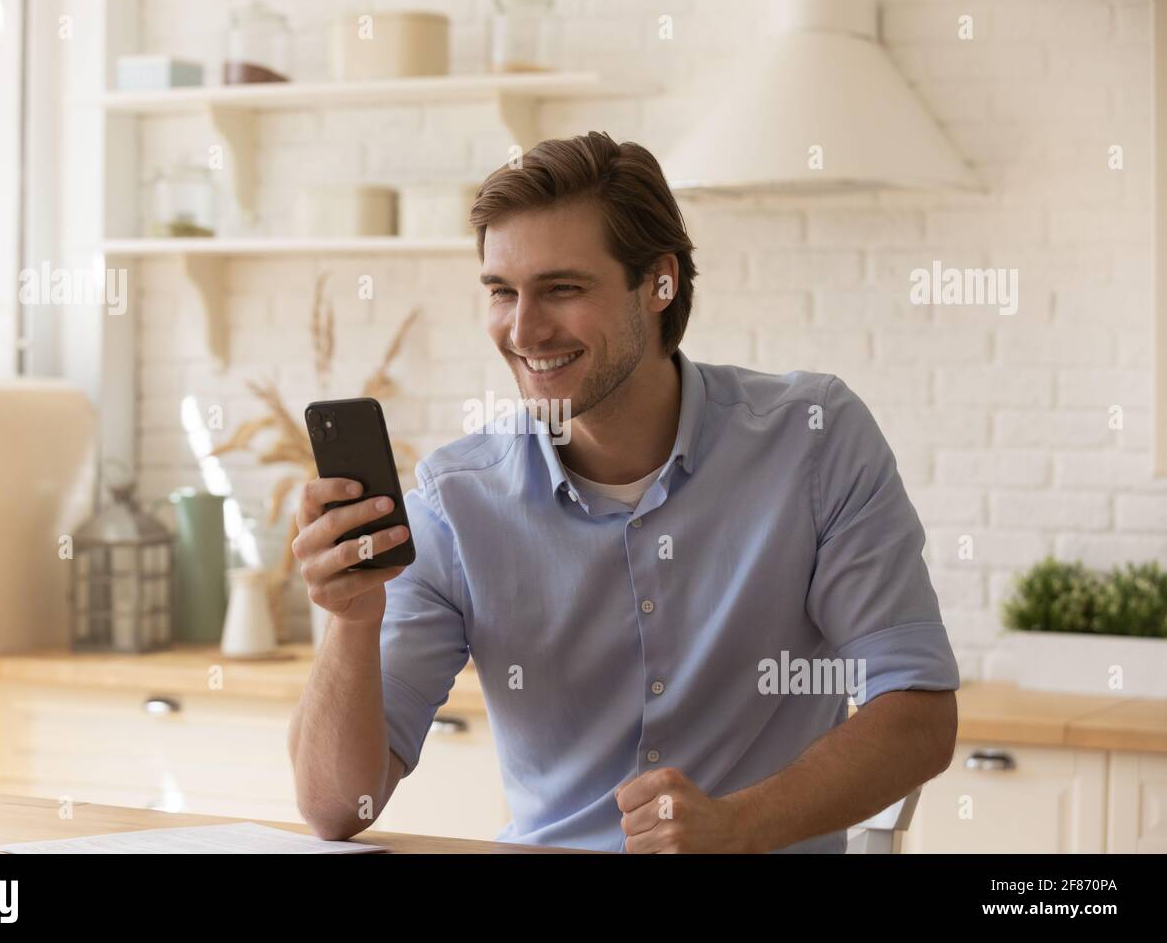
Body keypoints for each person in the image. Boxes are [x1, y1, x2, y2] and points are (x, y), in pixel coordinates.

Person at [287, 131, 958, 853]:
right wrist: (352, 622)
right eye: (501, 292)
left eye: (562, 289)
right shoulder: (456, 507)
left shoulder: (814, 442)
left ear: (658, 284)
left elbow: (916, 716)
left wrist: (735, 828)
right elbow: (337, 809)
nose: (524, 330)